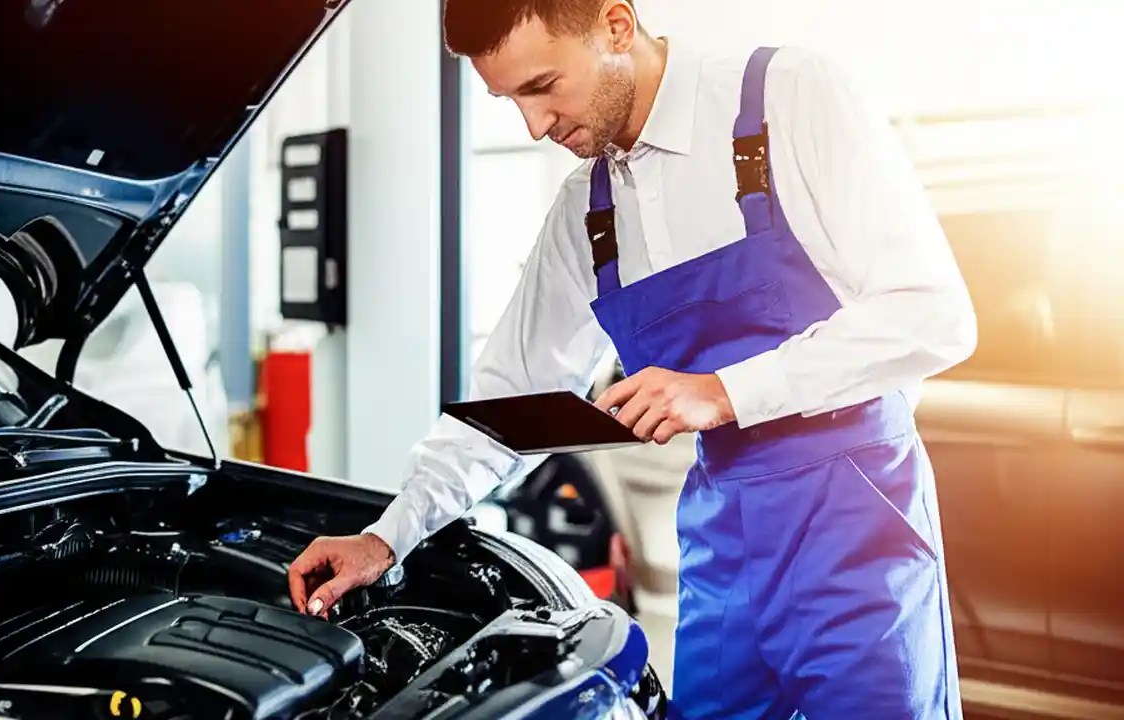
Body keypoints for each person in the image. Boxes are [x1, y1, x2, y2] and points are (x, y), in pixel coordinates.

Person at [288, 1, 977, 717]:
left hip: (856, 525)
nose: (534, 125)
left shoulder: (788, 97)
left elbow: (932, 314)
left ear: (616, 25)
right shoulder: (586, 212)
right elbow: (510, 405)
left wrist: (724, 390)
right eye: (510, 100)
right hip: (722, 541)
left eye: (542, 86)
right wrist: (386, 536)